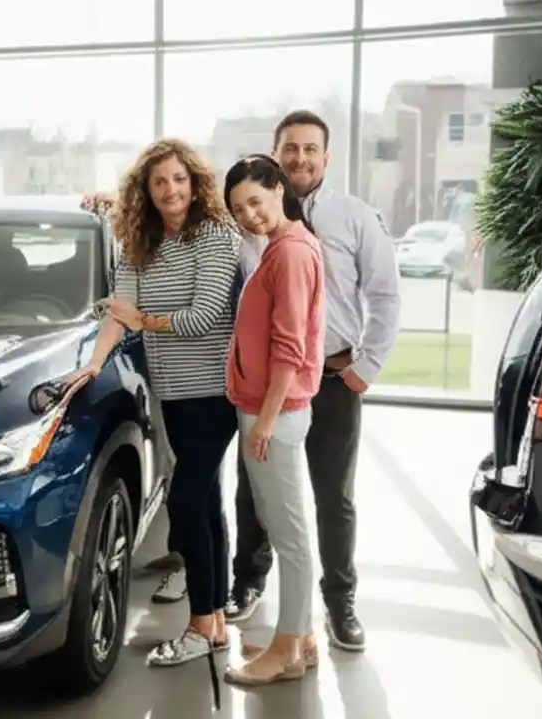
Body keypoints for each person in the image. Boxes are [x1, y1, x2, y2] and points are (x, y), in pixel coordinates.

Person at [226, 111, 401, 654]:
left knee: (333, 497)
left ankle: (339, 602)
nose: (299, 157)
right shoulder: (252, 216)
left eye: (309, 149)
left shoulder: (352, 217)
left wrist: (365, 369)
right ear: (275, 154)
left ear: (326, 157)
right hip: (269, 389)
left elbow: (385, 294)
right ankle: (248, 581)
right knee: (256, 491)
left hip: (332, 377)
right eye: (290, 148)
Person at [70, 138, 241, 668]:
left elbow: (204, 316)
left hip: (215, 394)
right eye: (160, 181)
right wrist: (93, 364)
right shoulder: (139, 242)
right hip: (171, 394)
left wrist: (146, 322)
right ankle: (215, 621)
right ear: (145, 190)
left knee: (185, 502)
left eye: (180, 179)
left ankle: (200, 622)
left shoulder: (214, 235)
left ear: (196, 183)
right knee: (205, 502)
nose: (171, 190)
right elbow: (119, 312)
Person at [220, 153, 324, 685]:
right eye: (239, 209)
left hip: (273, 415)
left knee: (289, 535)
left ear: (279, 189)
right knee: (283, 525)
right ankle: (299, 637)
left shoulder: (292, 254)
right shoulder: (280, 247)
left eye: (255, 202)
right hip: (268, 411)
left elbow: (289, 348)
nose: (249, 216)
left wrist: (263, 420)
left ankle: (286, 650)